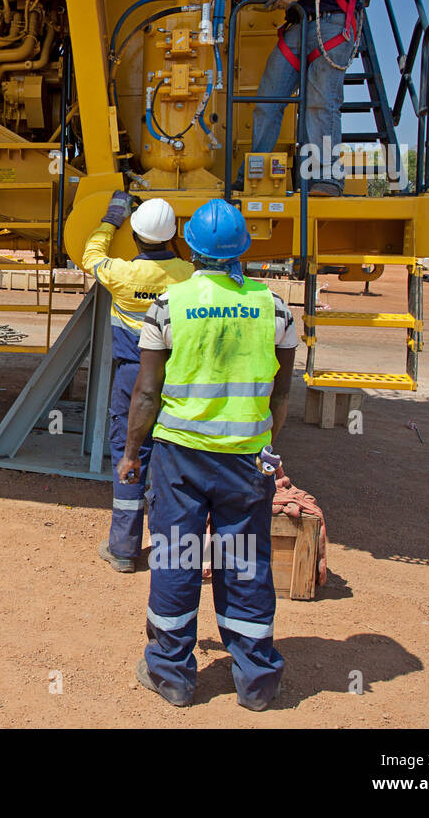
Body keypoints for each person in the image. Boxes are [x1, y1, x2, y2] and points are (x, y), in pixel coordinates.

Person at [118, 198, 297, 710]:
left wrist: (133, 453)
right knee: (244, 561)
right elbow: (280, 396)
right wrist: (267, 447)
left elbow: (147, 394)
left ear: (190, 247)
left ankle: (172, 675)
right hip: (246, 460)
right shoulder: (277, 309)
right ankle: (257, 682)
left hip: (180, 458)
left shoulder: (170, 306)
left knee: (176, 558)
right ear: (242, 250)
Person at [232, 0, 370, 196]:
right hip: (297, 29)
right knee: (267, 101)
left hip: (332, 25)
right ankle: (255, 174)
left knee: (320, 104)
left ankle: (325, 179)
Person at [82, 193, 193, 572]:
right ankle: (172, 551)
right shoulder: (189, 275)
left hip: (133, 375)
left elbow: (90, 256)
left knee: (129, 457)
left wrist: (111, 219)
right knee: (174, 458)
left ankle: (125, 549)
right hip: (178, 377)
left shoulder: (122, 274)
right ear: (173, 234)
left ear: (136, 234)